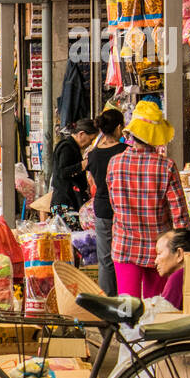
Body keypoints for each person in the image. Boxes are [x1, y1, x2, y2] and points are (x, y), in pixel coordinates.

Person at [105, 101, 190, 299]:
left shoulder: (115, 163)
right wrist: (186, 245)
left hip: (124, 244)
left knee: (127, 307)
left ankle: (126, 331)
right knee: (157, 306)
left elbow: (114, 203)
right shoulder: (166, 166)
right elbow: (179, 213)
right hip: (159, 249)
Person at [85, 108, 127, 295]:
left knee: (105, 258)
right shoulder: (125, 152)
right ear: (119, 128)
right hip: (124, 207)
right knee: (126, 256)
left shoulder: (93, 155)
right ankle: (126, 295)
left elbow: (92, 181)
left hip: (102, 207)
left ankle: (106, 303)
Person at [50, 119, 97, 228]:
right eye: (91, 139)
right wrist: (82, 165)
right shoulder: (67, 147)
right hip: (65, 202)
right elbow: (62, 172)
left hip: (68, 201)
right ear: (81, 134)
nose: (90, 143)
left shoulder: (72, 147)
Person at [155, 225, 190, 311]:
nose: (156, 261)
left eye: (159, 253)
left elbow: (163, 315)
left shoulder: (179, 277)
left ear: (179, 254)